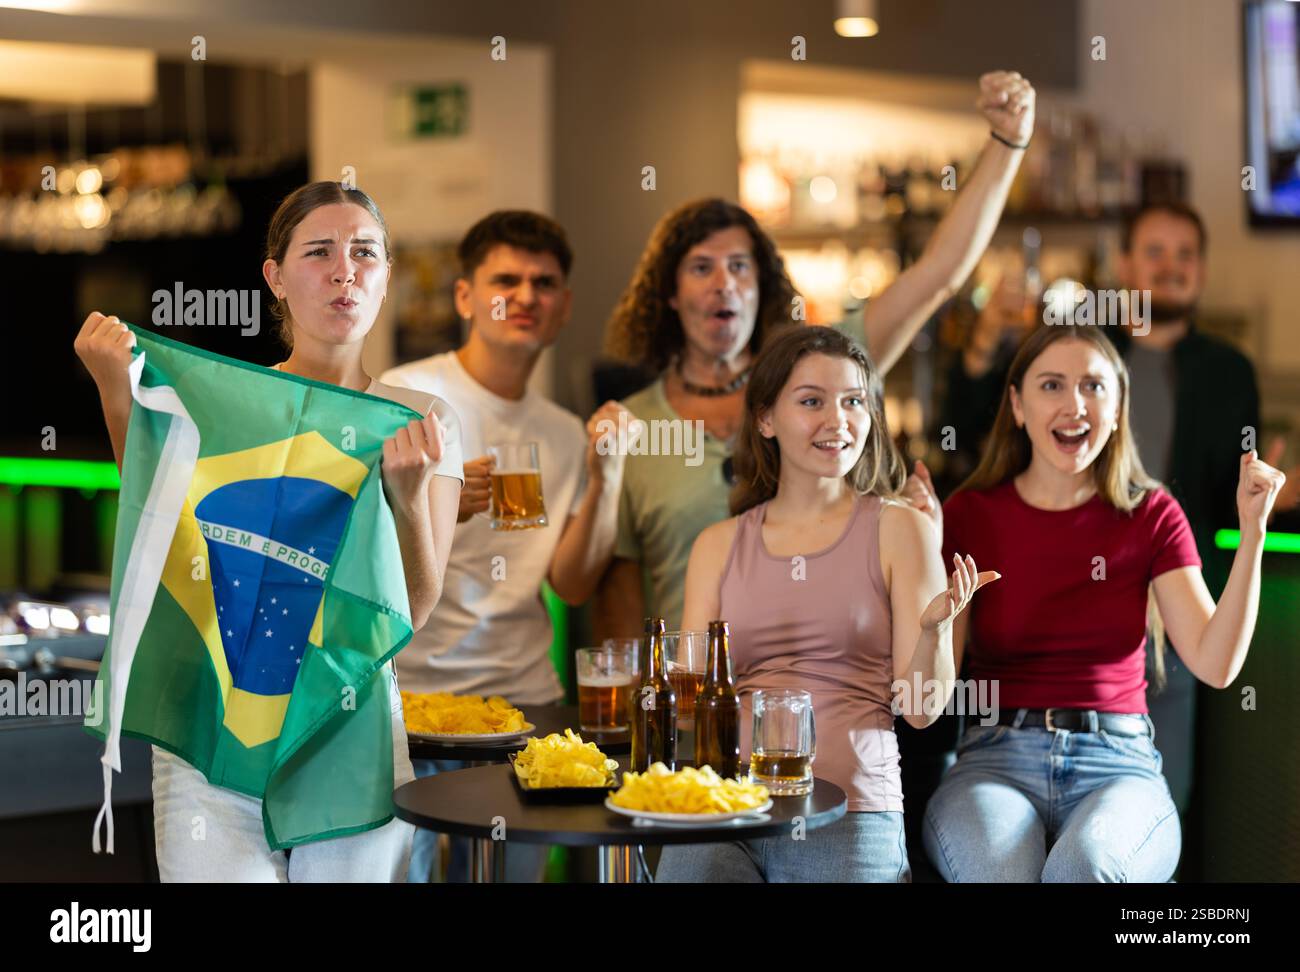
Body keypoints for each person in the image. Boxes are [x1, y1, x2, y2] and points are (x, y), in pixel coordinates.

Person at [73, 180, 463, 881]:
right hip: (213, 720)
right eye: (319, 251)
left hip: (347, 726)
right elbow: (159, 521)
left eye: (365, 253)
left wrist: (406, 502)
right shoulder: (223, 404)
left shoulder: (422, 420)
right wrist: (112, 385)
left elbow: (417, 610)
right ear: (275, 277)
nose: (345, 269)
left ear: (386, 279)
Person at [596, 70, 1037, 640]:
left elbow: (936, 276)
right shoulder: (632, 427)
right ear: (670, 293)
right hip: (699, 705)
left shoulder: (822, 372)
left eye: (739, 267)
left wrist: (1007, 146)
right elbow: (616, 597)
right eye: (701, 268)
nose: (723, 285)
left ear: (764, 286)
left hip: (827, 697)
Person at [934, 200, 1300, 818]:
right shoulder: (1087, 353)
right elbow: (969, 426)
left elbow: (1225, 490)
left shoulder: (1228, 371)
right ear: (1125, 264)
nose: (1171, 267)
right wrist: (981, 342)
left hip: (1178, 603)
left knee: (1155, 795)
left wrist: (1262, 515)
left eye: (1186, 255)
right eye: (1155, 252)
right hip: (1063, 640)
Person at [919, 324, 1285, 882]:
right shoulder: (969, 514)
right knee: (997, 872)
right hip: (993, 760)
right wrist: (922, 570)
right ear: (1016, 405)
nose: (1074, 404)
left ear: (1118, 406)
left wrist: (1254, 531)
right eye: (1051, 386)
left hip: (1119, 765)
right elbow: (931, 696)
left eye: (1093, 386)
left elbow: (1216, 663)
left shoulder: (1154, 514)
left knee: (1086, 867)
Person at [655, 326, 995, 883]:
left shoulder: (900, 528)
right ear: (765, 419)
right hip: (728, 809)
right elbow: (692, 705)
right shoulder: (716, 546)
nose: (838, 420)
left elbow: (921, 709)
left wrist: (934, 632)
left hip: (851, 812)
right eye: (812, 401)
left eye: (854, 401)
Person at [380, 211, 632, 883]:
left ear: (563, 307)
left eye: (543, 283)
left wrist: (607, 479)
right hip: (414, 708)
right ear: (465, 296)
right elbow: (351, 547)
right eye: (506, 280)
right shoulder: (410, 397)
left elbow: (571, 583)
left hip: (525, 711)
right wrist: (437, 511)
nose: (525, 296)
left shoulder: (562, 430)